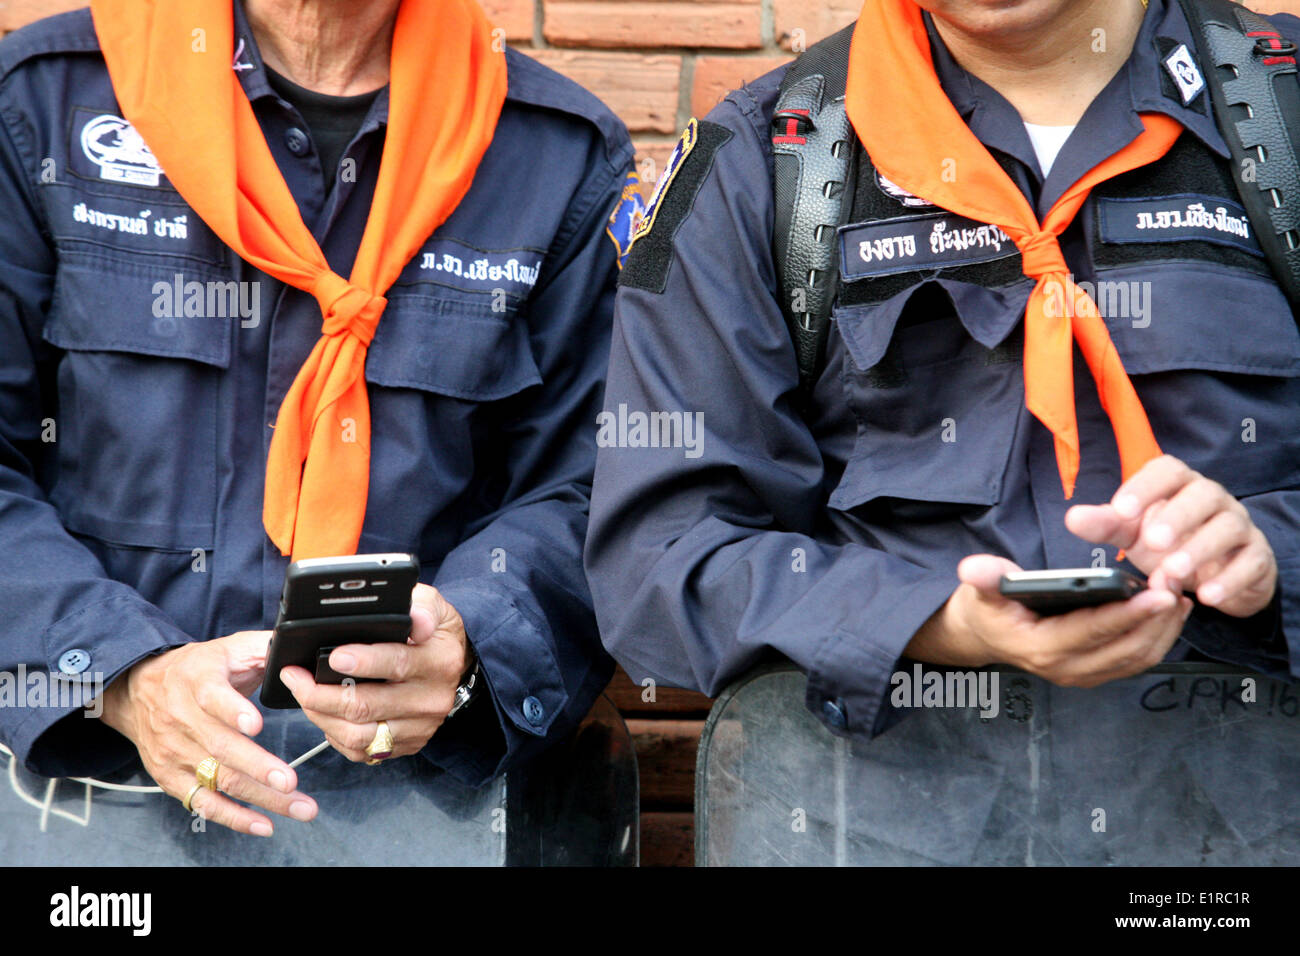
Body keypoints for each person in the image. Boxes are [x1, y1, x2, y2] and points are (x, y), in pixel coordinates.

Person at [0, 0, 636, 838]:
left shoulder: (555, 155)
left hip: (425, 811)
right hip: (80, 797)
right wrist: (120, 673)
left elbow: (595, 486)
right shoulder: (42, 104)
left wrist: (472, 643)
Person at [586, 0, 1299, 741]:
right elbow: (659, 561)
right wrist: (934, 622)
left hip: (1250, 808)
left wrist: (1270, 555)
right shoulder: (764, 160)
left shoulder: (1281, 115)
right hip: (894, 823)